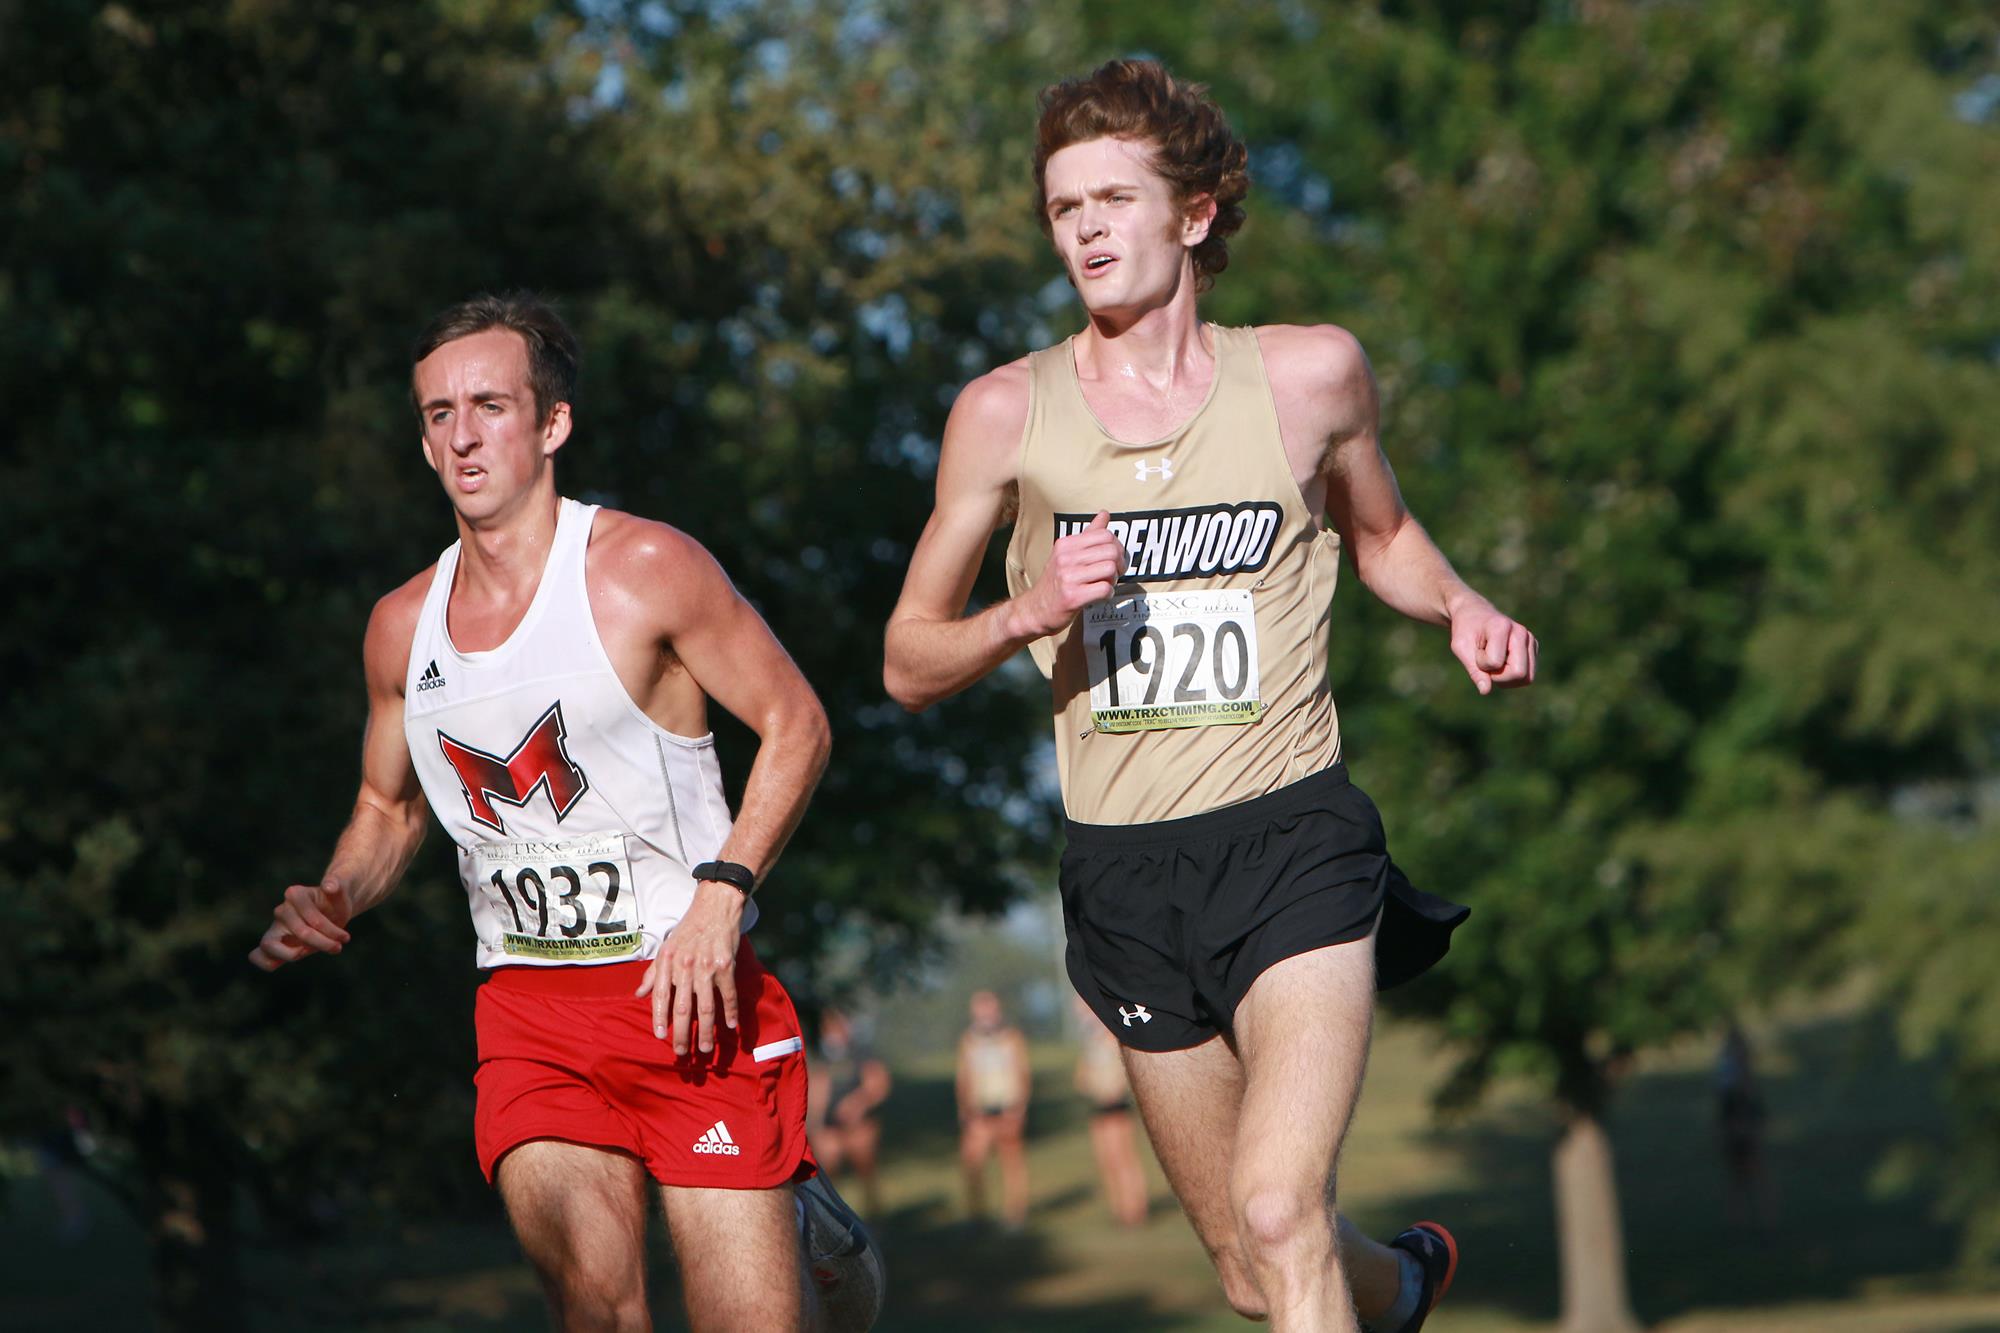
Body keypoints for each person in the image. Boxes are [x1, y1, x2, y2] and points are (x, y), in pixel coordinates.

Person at [885, 59, 1539, 1333]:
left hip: (1291, 837)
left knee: (1282, 1209)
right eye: (1063, 206)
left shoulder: (1309, 377)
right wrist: (1026, 610)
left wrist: (1458, 603)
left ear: (1192, 215)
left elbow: (1384, 537)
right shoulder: (1004, 414)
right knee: (1250, 1268)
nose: (1084, 229)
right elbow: (907, 659)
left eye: (1113, 199)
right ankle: (1399, 1286)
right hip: (1123, 871)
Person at [251, 292, 881, 1333]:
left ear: (552, 424)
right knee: (595, 1307)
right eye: (439, 413)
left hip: (689, 998)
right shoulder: (401, 626)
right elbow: (386, 805)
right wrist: (336, 893)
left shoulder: (645, 570)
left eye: (490, 406)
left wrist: (722, 892)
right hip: (532, 1015)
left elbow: (797, 724)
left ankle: (802, 1221)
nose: (462, 434)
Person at [954, 990, 1032, 1229]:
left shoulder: (1012, 1038)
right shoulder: (969, 1041)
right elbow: (963, 1076)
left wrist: (1019, 1106)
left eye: (990, 1008)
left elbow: (1023, 1071)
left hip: (1007, 1109)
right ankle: (977, 1215)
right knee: (972, 1162)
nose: (986, 1014)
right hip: (980, 1113)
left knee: (1011, 1163)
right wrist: (964, 1108)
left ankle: (1016, 1213)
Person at [807, 1008, 893, 1216]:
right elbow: (815, 1092)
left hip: (859, 1124)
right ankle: (832, 1218)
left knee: (865, 1164)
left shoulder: (862, 1053)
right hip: (830, 1126)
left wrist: (858, 1104)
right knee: (827, 1169)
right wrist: (815, 1125)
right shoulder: (821, 1058)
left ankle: (874, 1216)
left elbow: (879, 1084)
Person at [1072, 995, 1147, 1227]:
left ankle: (1136, 1208)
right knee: (1107, 1160)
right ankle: (1119, 1209)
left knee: (1124, 1157)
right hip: (1097, 1105)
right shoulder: (1090, 1040)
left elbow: (1124, 1070)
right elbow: (1084, 1073)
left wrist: (1116, 1087)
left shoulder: (1113, 1033)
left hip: (1116, 1104)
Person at [1716, 1023, 1774, 1229]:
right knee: (1740, 1173)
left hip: (1741, 1121)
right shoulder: (1731, 1070)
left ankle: (1760, 1216)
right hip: (1737, 1120)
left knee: (1750, 1171)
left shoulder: (1734, 1070)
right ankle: (1745, 1218)